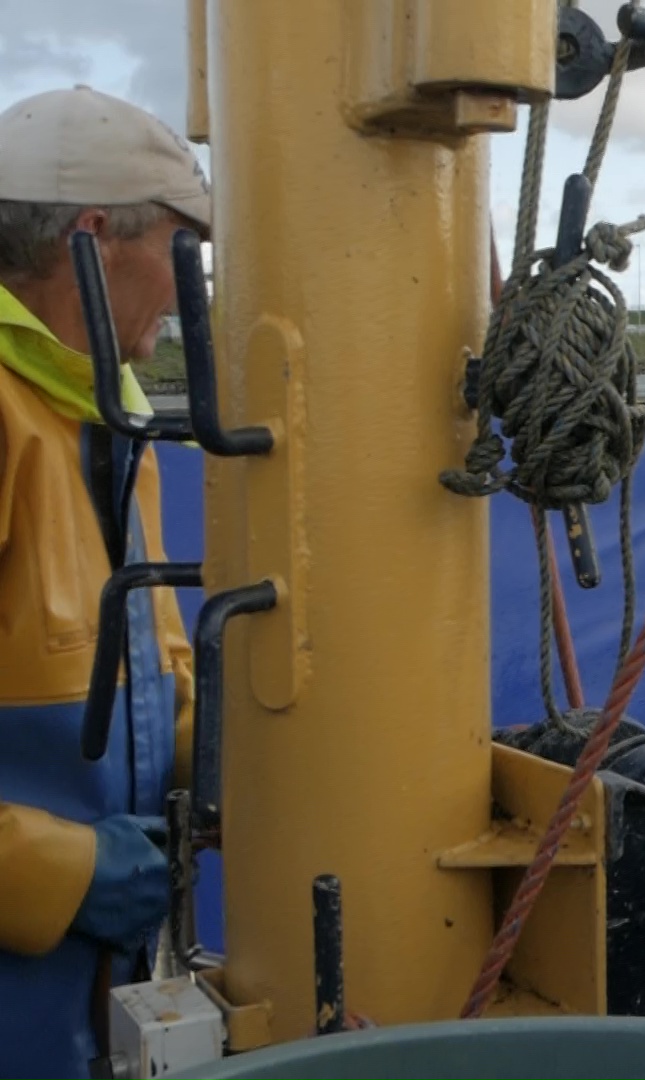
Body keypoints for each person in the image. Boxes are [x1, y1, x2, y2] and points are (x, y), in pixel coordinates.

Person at [0, 86, 207, 1080]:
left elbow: (153, 673)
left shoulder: (110, 422)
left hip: (81, 1008)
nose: (187, 287)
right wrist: (59, 874)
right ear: (91, 236)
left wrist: (258, 758)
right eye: (179, 247)